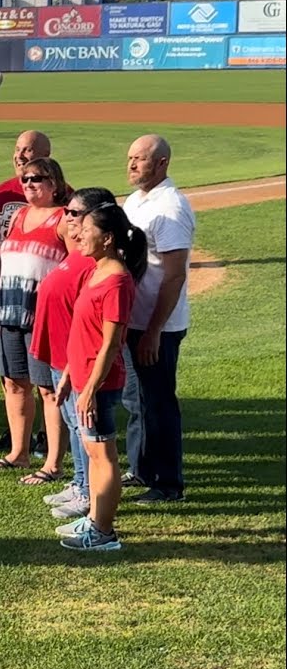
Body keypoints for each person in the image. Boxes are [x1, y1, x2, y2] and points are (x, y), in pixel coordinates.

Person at [56, 203, 146, 551]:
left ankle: (104, 533)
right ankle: (94, 518)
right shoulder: (95, 271)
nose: (78, 234)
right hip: (83, 378)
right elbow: (84, 331)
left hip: (100, 384)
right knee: (94, 453)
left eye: (87, 229)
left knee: (102, 455)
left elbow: (111, 344)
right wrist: (68, 375)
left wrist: (90, 389)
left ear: (107, 238)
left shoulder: (118, 282)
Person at [0, 158, 74, 475]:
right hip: (9, 310)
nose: (29, 183)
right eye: (25, 179)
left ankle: (53, 462)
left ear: (55, 183)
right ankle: (18, 453)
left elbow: (78, 267)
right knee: (14, 383)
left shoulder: (64, 219)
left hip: (45, 317)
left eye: (37, 178)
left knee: (48, 389)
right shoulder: (18, 214)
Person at [35, 188, 118, 520]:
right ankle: (80, 481)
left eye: (74, 213)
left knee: (90, 436)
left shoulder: (99, 266)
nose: (67, 218)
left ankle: (88, 495)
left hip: (81, 361)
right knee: (74, 424)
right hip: (66, 357)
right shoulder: (80, 254)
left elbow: (104, 334)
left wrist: (77, 371)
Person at [0, 131, 60, 455]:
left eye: (28, 151)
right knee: (12, 376)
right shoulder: (6, 198)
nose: (21, 156)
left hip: (41, 310)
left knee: (46, 383)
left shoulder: (65, 207)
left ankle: (48, 446)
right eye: (17, 150)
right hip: (7, 301)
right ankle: (17, 445)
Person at [121, 134, 195, 505]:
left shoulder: (171, 208)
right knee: (136, 400)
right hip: (135, 321)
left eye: (141, 159)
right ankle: (141, 469)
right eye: (130, 157)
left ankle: (167, 483)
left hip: (158, 326)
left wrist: (153, 331)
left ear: (162, 163)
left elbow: (174, 275)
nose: (132, 164)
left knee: (159, 402)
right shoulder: (137, 201)